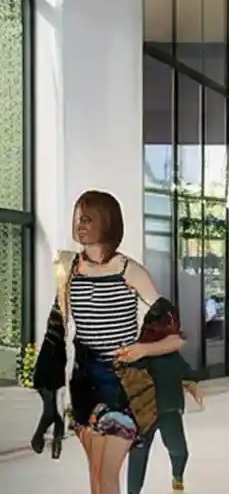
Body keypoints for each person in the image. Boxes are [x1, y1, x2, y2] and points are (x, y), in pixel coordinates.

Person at [30, 190, 186, 494]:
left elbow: (175, 338)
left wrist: (142, 349)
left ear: (108, 223)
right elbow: (57, 329)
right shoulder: (69, 269)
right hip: (84, 384)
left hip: (122, 384)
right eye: (78, 217)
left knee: (110, 474)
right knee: (96, 475)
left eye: (89, 218)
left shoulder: (130, 271)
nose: (80, 223)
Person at [125, 298, 205, 494]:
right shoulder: (138, 353)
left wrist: (192, 384)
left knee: (179, 451)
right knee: (139, 456)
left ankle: (177, 479)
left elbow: (185, 371)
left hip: (169, 410)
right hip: (144, 414)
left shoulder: (170, 353)